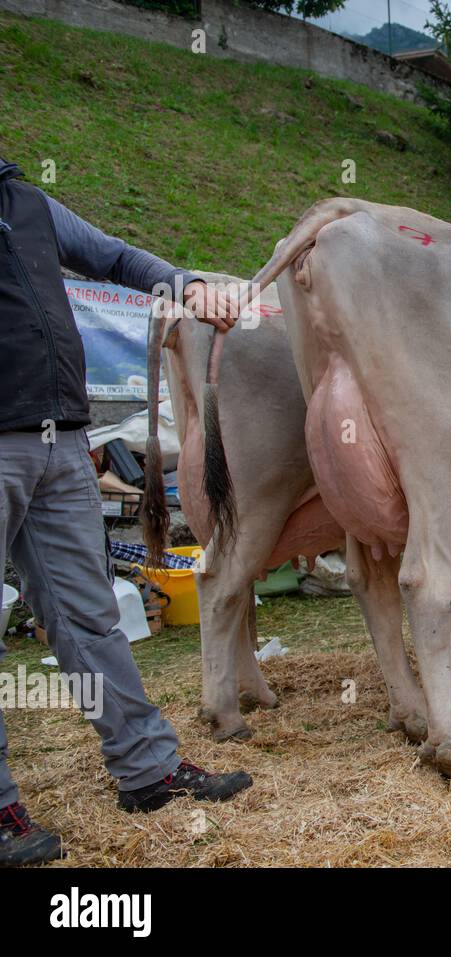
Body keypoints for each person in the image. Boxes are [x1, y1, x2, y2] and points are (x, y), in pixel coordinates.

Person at [0, 158, 251, 867]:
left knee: (90, 616)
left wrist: (190, 285)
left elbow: (111, 256)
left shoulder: (24, 199)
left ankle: (146, 770)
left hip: (57, 441)